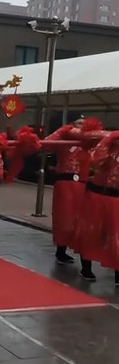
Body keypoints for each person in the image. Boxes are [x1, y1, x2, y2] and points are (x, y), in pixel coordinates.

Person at [44, 114, 102, 270]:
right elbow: (47, 143)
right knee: (64, 218)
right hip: (65, 184)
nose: (81, 126)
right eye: (78, 123)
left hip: (82, 186)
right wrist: (65, 129)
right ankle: (60, 250)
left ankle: (78, 254)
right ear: (71, 124)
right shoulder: (64, 137)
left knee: (80, 221)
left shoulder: (88, 143)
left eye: (84, 123)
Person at [72, 130, 119, 285]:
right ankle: (86, 267)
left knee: (116, 236)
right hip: (98, 195)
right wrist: (110, 137)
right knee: (91, 232)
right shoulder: (109, 142)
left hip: (116, 199)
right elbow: (96, 159)